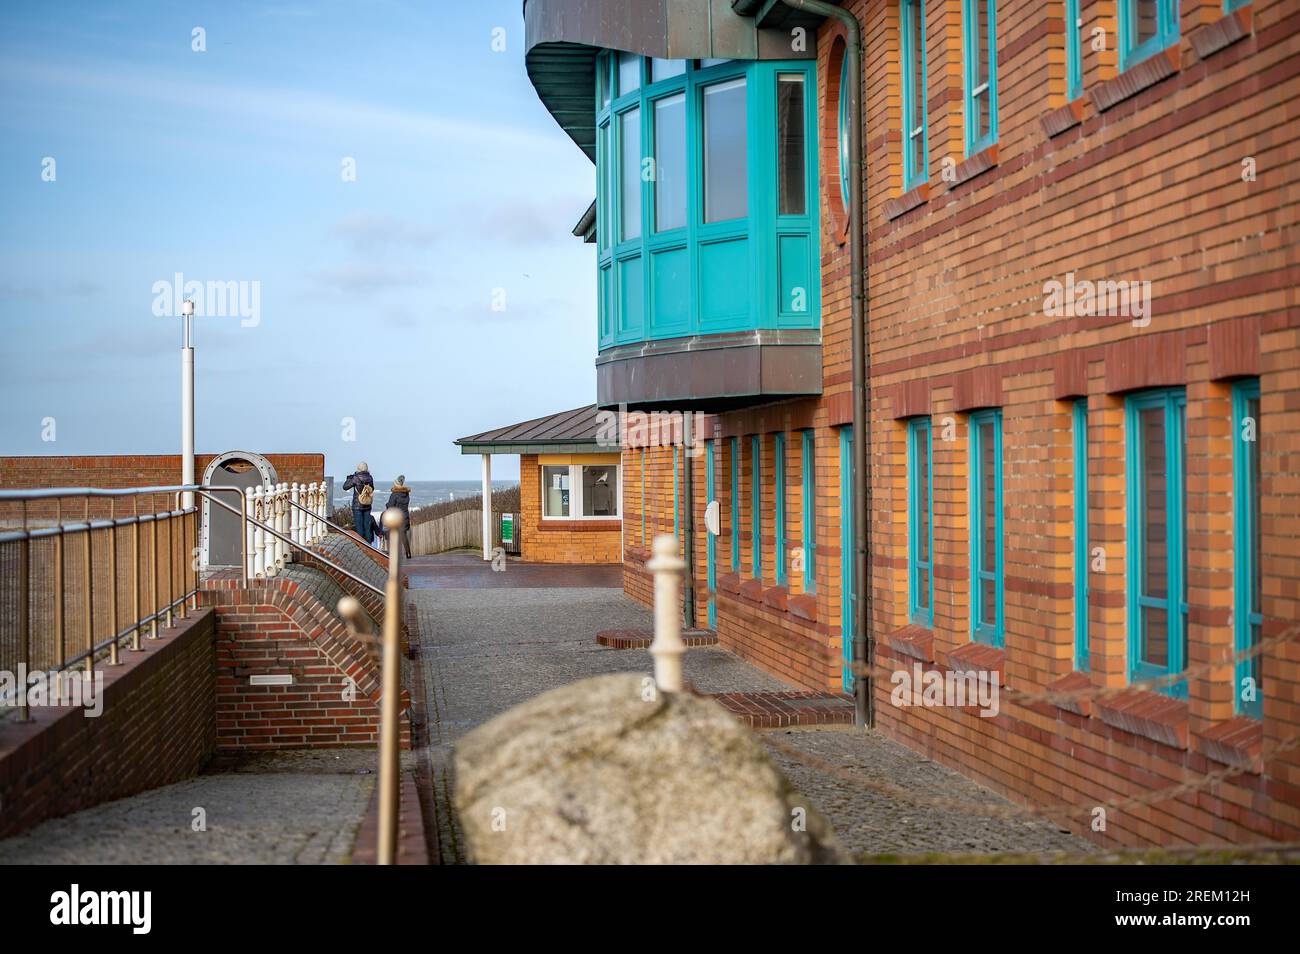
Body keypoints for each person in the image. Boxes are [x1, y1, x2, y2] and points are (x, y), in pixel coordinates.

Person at [342, 462, 375, 542]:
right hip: (367, 504)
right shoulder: (370, 478)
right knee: (367, 527)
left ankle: (362, 546)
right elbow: (372, 488)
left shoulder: (356, 478)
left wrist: (349, 479)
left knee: (359, 527)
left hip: (357, 506)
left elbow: (345, 487)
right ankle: (369, 546)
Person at [385, 475, 413, 559]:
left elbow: (390, 506)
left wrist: (386, 505)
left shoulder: (394, 494)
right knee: (404, 535)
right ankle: (408, 553)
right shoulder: (406, 494)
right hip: (405, 516)